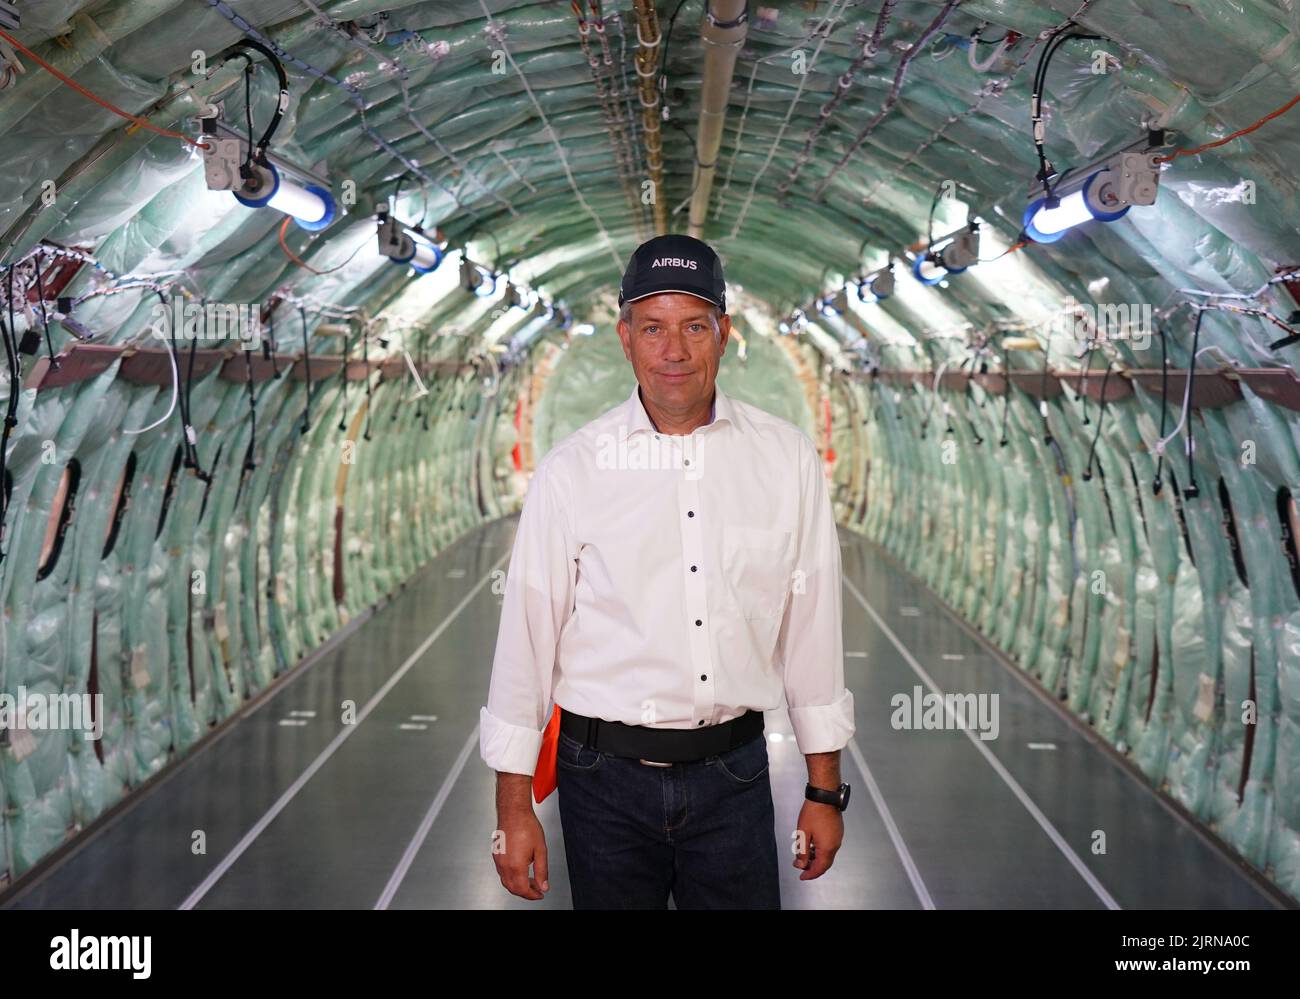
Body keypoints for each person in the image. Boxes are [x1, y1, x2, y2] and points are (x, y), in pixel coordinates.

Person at [480, 233, 855, 909]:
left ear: (725, 332)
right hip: (602, 782)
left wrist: (824, 790)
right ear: (626, 337)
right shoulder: (573, 470)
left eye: (693, 327)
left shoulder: (786, 460)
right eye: (653, 328)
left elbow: (812, 636)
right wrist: (513, 808)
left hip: (734, 776)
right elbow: (526, 644)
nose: (674, 352)